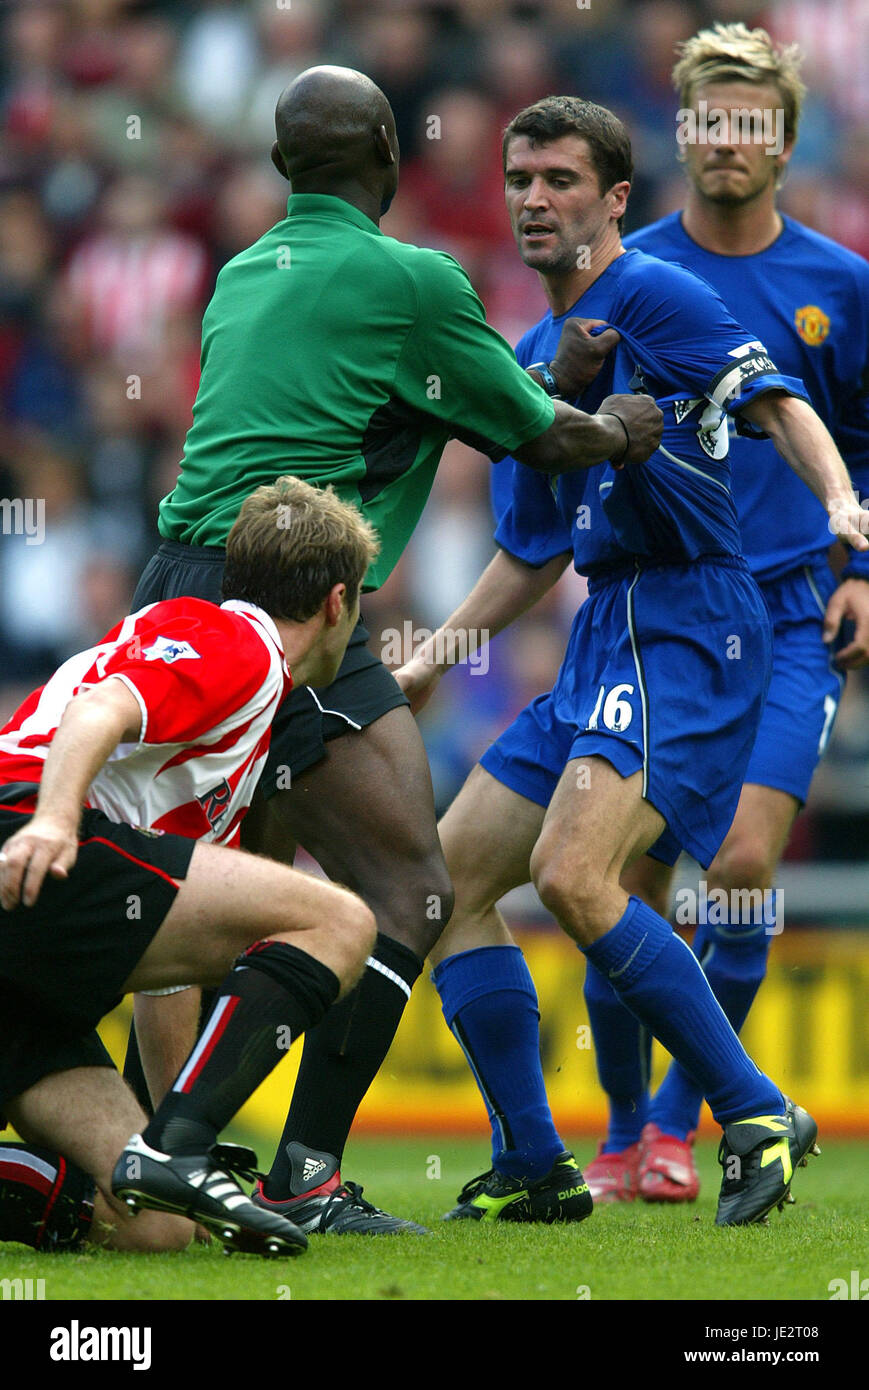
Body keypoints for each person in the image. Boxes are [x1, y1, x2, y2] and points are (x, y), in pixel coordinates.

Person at [126, 63, 663, 1236]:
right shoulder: (411, 275)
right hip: (284, 607)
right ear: (388, 153)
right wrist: (619, 425)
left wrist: (534, 383)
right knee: (407, 885)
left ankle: (163, 1154)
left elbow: (375, 406)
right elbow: (537, 436)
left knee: (229, 905)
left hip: (176, 589)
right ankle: (272, 1166)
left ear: (280, 168)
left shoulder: (235, 276)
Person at [396, 94, 867, 1226]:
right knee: (443, 886)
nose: (532, 200)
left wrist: (843, 499)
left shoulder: (657, 292)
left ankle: (743, 1111)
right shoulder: (524, 357)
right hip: (606, 625)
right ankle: (533, 1159)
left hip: (692, 619)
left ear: (613, 200)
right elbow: (528, 553)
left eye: (559, 180)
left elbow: (777, 400)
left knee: (573, 874)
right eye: (518, 181)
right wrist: (427, 664)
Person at [579, 21, 869, 1206]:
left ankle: (681, 1117)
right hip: (663, 609)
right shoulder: (629, 271)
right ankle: (617, 1134)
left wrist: (860, 569)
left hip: (796, 603)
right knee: (627, 876)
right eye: (708, 120)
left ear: (785, 141)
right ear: (681, 135)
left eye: (752, 122)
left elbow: (852, 436)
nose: (728, 142)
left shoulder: (840, 284)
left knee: (742, 862)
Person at [0, 476, 382, 1258]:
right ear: (338, 603)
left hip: (30, 941)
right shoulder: (238, 644)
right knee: (341, 918)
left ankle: (171, 1156)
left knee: (156, 1226)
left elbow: (167, 967)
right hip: (26, 839)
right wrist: (52, 817)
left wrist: (175, 1142)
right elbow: (99, 709)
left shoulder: (232, 734)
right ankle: (177, 1147)